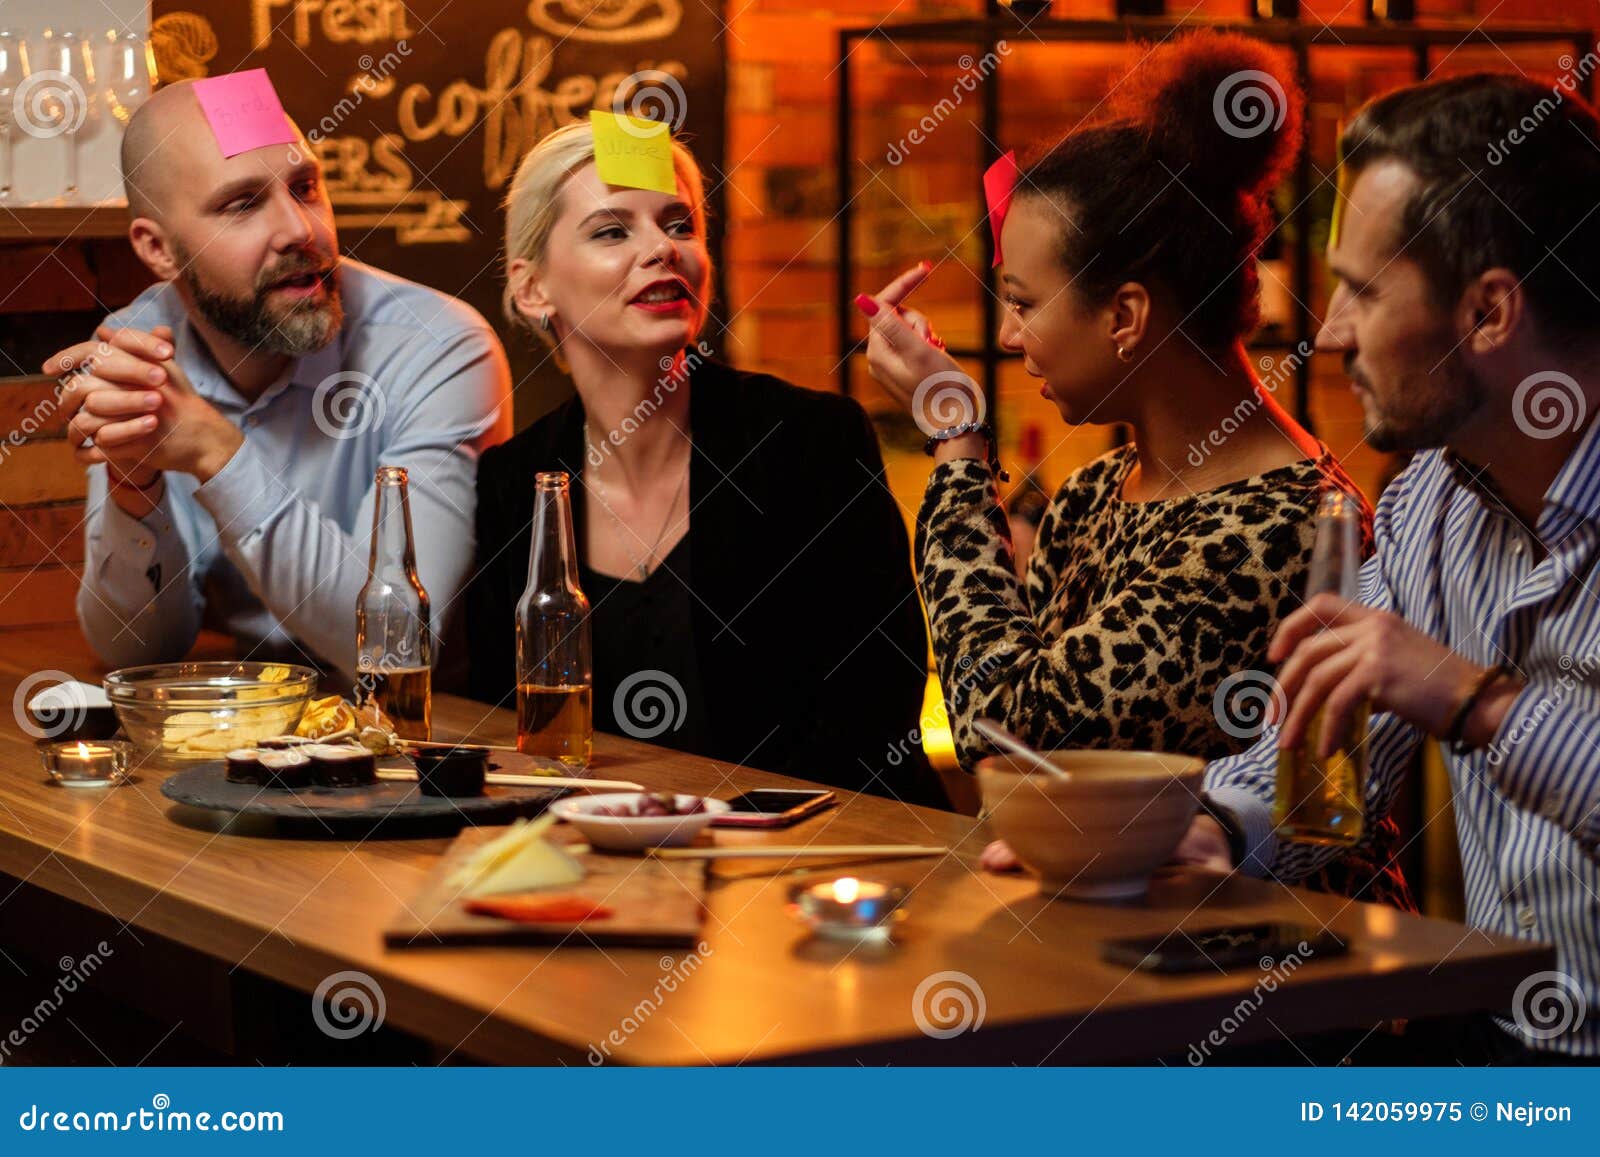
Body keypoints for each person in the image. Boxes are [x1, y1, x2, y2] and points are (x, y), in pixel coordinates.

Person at [856, 31, 1411, 906]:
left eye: (1024, 303)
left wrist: (959, 445)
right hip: (1117, 964)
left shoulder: (1278, 525)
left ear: (1125, 313)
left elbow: (1006, 730)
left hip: (1284, 995)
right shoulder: (1093, 493)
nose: (1007, 338)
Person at [1190, 72, 1600, 1064]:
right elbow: (1327, 737)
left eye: (1362, 292)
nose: (1327, 332)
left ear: (1491, 312)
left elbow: (1438, 690)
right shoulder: (1429, 497)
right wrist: (1212, 825)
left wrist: (1474, 700)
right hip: (1499, 1042)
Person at [466, 122, 946, 808]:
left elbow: (872, 718)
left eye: (680, 224)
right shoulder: (513, 481)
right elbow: (505, 733)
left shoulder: (811, 441)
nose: (662, 248)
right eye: (612, 231)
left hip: (820, 864)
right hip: (609, 875)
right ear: (534, 288)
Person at [51, 75, 511, 681]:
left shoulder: (439, 346)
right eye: (242, 204)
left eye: (305, 187)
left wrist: (216, 452)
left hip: (427, 745)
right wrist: (133, 490)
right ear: (158, 249)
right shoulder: (141, 340)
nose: (300, 229)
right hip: (245, 737)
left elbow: (397, 646)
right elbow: (136, 652)